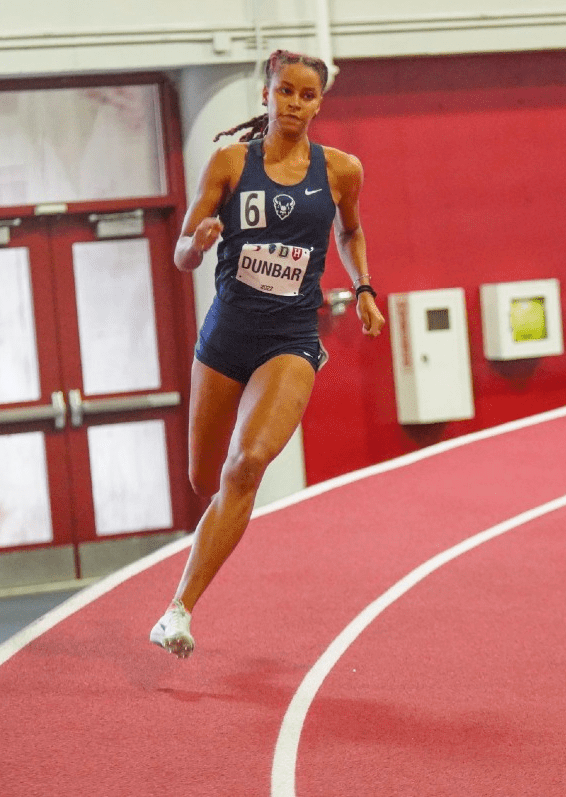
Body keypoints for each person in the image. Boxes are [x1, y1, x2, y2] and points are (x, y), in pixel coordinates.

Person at [149, 50, 385, 657]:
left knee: (246, 464)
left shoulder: (341, 171)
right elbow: (181, 252)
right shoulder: (230, 162)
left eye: (307, 96)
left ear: (319, 104)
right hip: (227, 336)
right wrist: (197, 245)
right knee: (206, 478)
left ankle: (179, 609)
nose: (295, 104)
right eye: (285, 92)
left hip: (291, 339)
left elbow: (350, 230)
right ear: (266, 94)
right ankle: (200, 551)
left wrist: (362, 287)